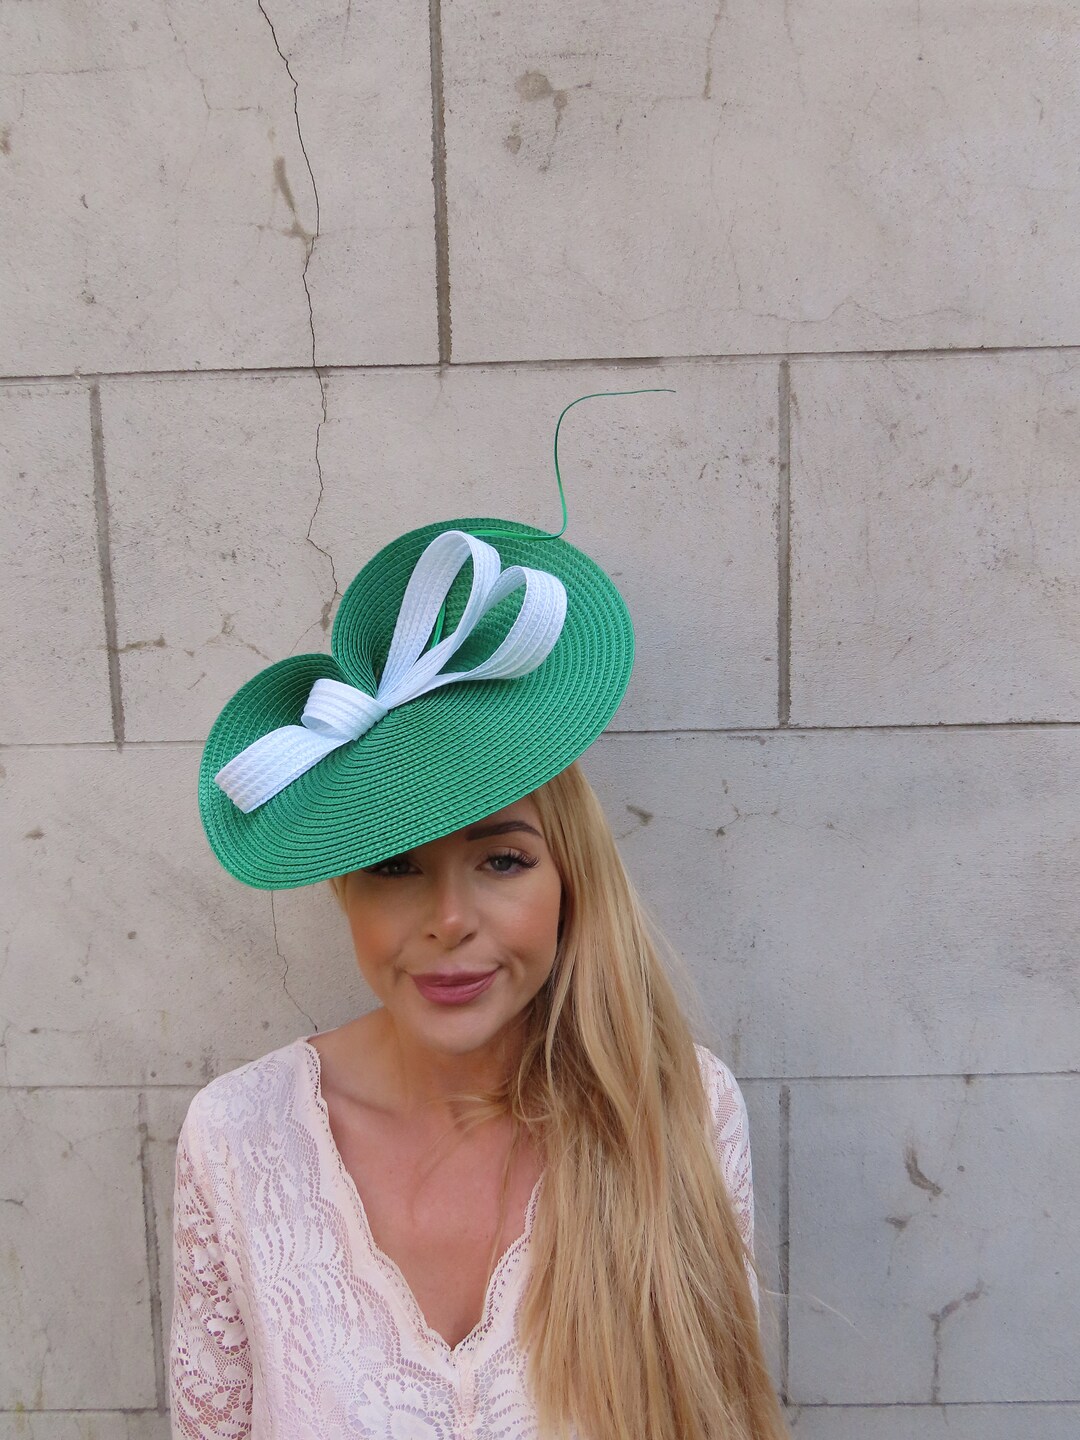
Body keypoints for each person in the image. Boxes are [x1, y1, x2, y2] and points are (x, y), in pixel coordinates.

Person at [171, 504, 790, 1440]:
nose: (450, 920)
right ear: (344, 888)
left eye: (502, 860)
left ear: (569, 877)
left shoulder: (682, 1109)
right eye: (394, 865)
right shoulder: (237, 1138)